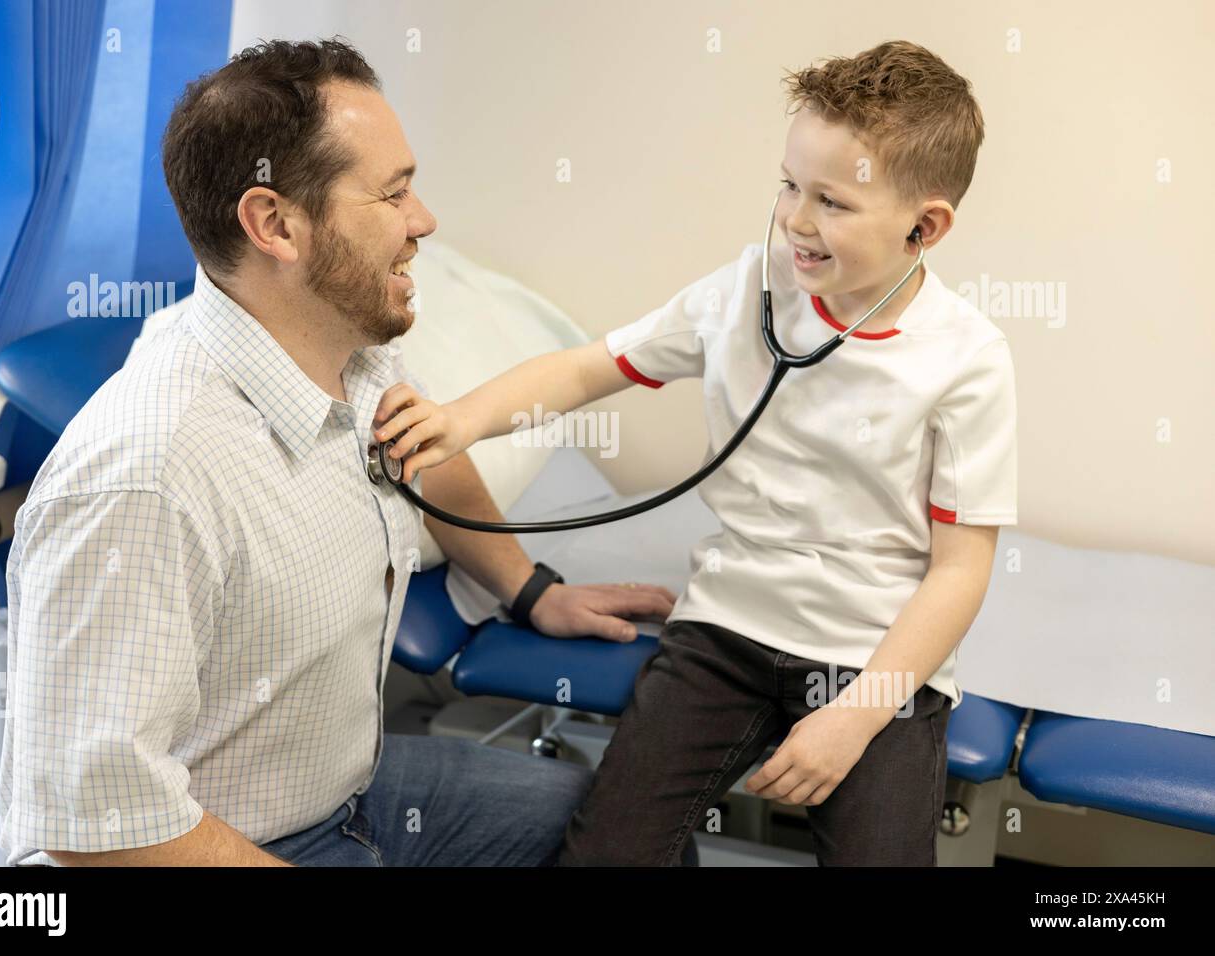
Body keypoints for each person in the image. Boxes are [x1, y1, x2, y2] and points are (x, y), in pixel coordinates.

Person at [0, 38, 677, 867]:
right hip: (209, 844)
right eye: (392, 195)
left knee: (632, 836)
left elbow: (425, 446)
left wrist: (529, 588)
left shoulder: (349, 345)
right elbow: (101, 828)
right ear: (276, 224)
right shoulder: (146, 476)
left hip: (350, 789)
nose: (423, 221)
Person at [371, 40, 1017, 866]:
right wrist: (463, 419)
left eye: (834, 202)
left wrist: (854, 717)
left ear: (924, 227)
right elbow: (583, 369)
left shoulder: (966, 358)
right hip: (727, 632)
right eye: (789, 185)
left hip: (875, 658)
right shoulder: (746, 290)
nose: (796, 220)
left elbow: (961, 571)